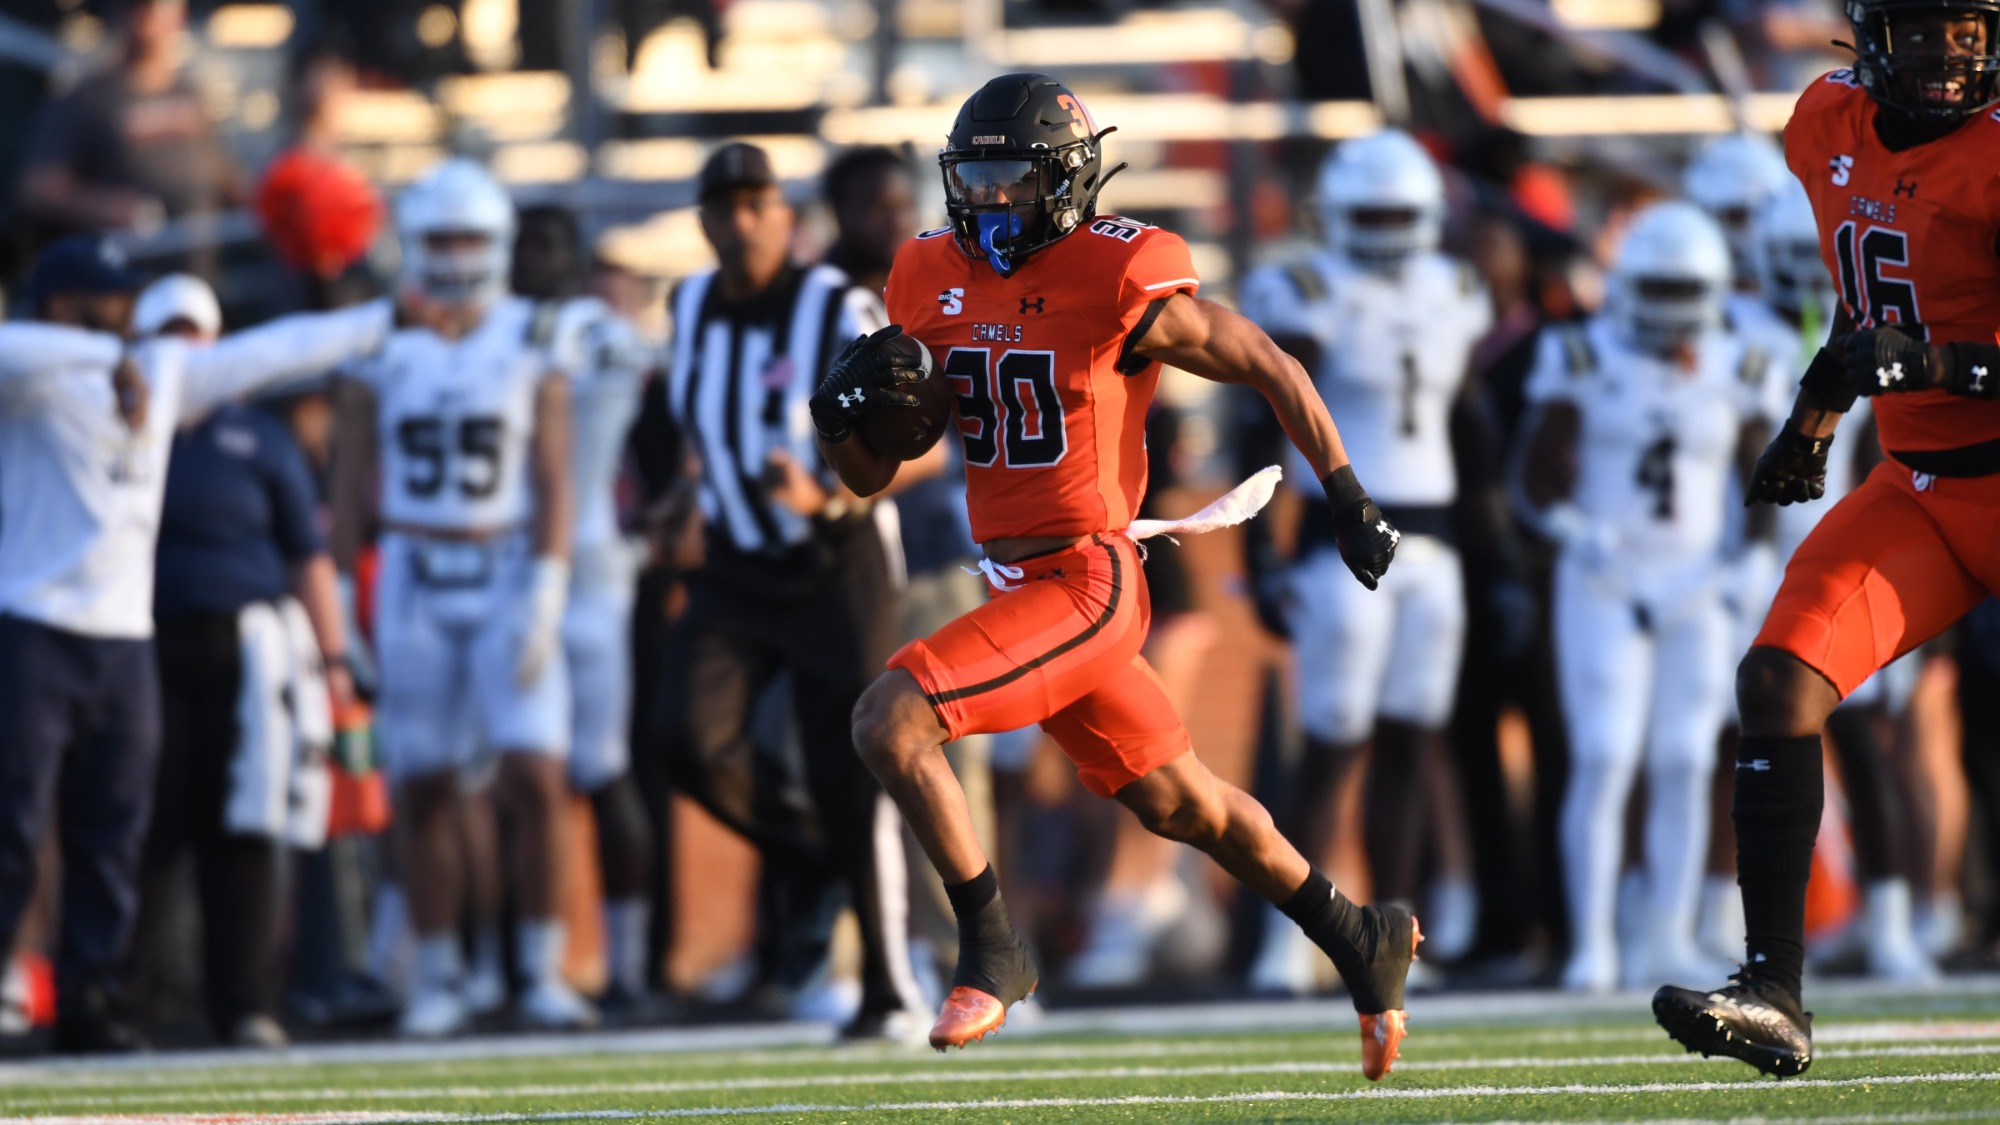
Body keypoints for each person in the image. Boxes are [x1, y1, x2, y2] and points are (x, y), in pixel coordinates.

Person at [818, 74, 1412, 1079]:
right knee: (1184, 805)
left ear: (1062, 181)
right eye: (975, 178)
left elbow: (1263, 358)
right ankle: (1358, 937)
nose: (989, 199)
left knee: (889, 719)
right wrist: (844, 417)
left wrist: (1346, 493)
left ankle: (994, 950)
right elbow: (877, 473)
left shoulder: (1114, 275)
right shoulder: (927, 277)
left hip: (1087, 583)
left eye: (1010, 177)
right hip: (1016, 590)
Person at [1653, 0, 2000, 1076]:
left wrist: (1936, 367)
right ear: (1869, 35)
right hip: (1922, 486)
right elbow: (1862, 314)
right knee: (1776, 681)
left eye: (1970, 33)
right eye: (1924, 29)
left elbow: (1906, 343)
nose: (1947, 54)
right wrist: (1812, 423)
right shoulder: (1823, 124)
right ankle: (1771, 988)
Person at [0, 236, 393, 1054]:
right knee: (14, 820)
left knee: (113, 829)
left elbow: (271, 352)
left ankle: (93, 999)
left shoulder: (163, 373)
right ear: (66, 306)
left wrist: (383, 319)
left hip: (122, 637)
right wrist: (105, 355)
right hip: (32, 622)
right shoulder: (34, 375)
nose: (127, 316)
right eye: (107, 301)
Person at [645, 142, 928, 1041]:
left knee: (852, 771)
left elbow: (925, 438)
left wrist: (826, 487)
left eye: (753, 203)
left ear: (783, 215)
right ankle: (807, 860)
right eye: (721, 206)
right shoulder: (687, 302)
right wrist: (684, 498)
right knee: (684, 737)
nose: (738, 221)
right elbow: (708, 430)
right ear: (703, 221)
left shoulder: (835, 307)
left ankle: (887, 983)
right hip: (735, 562)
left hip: (834, 563)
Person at [329, 158, 592, 1038]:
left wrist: (551, 583)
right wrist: (339, 592)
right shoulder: (381, 338)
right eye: (436, 239)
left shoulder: (530, 333)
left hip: (510, 560)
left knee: (537, 773)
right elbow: (348, 482)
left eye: (465, 239)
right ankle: (438, 975)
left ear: (498, 246)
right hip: (411, 567)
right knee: (425, 780)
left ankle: (542, 968)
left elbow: (554, 477)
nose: (449, 256)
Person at [1235, 128, 1494, 994]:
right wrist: (1258, 555)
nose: (1384, 227)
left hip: (1438, 542)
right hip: (1340, 541)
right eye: (1370, 211)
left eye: (1397, 211)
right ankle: (1287, 941)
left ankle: (1396, 930)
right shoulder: (1304, 285)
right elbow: (1260, 418)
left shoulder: (1457, 285)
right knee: (1331, 745)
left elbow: (1466, 424)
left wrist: (1492, 546)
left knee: (1412, 746)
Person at [1517, 201, 1777, 992]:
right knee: (1603, 754)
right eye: (1655, 289)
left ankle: (1665, 934)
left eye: (1681, 290)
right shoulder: (1580, 352)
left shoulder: (1742, 362)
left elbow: (1761, 479)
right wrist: (1573, 530)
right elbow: (1530, 476)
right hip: (1605, 576)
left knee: (1683, 757)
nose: (1668, 310)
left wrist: (1748, 558)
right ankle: (1593, 941)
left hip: (1697, 582)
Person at [126, 275, 357, 1048]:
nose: (186, 353)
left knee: (247, 822)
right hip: (141, 643)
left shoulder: (258, 437)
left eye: (196, 337)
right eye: (170, 336)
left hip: (248, 651)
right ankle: (128, 1003)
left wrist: (334, 662)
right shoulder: (115, 426)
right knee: (145, 825)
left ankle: (246, 1001)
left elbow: (306, 554)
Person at [510, 204, 661, 1017]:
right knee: (502, 774)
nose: (530, 259)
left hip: (593, 572)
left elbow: (693, 392)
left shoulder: (595, 334)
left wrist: (674, 509)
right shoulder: (496, 331)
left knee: (602, 772)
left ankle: (628, 967)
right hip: (513, 570)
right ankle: (492, 965)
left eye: (546, 246)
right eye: (522, 244)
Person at [17, 0, 240, 247]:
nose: (146, 19)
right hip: (126, 267)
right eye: (137, 8)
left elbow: (221, 174)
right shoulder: (87, 97)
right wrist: (103, 207)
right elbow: (37, 187)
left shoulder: (191, 93)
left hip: (197, 265)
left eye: (156, 9)